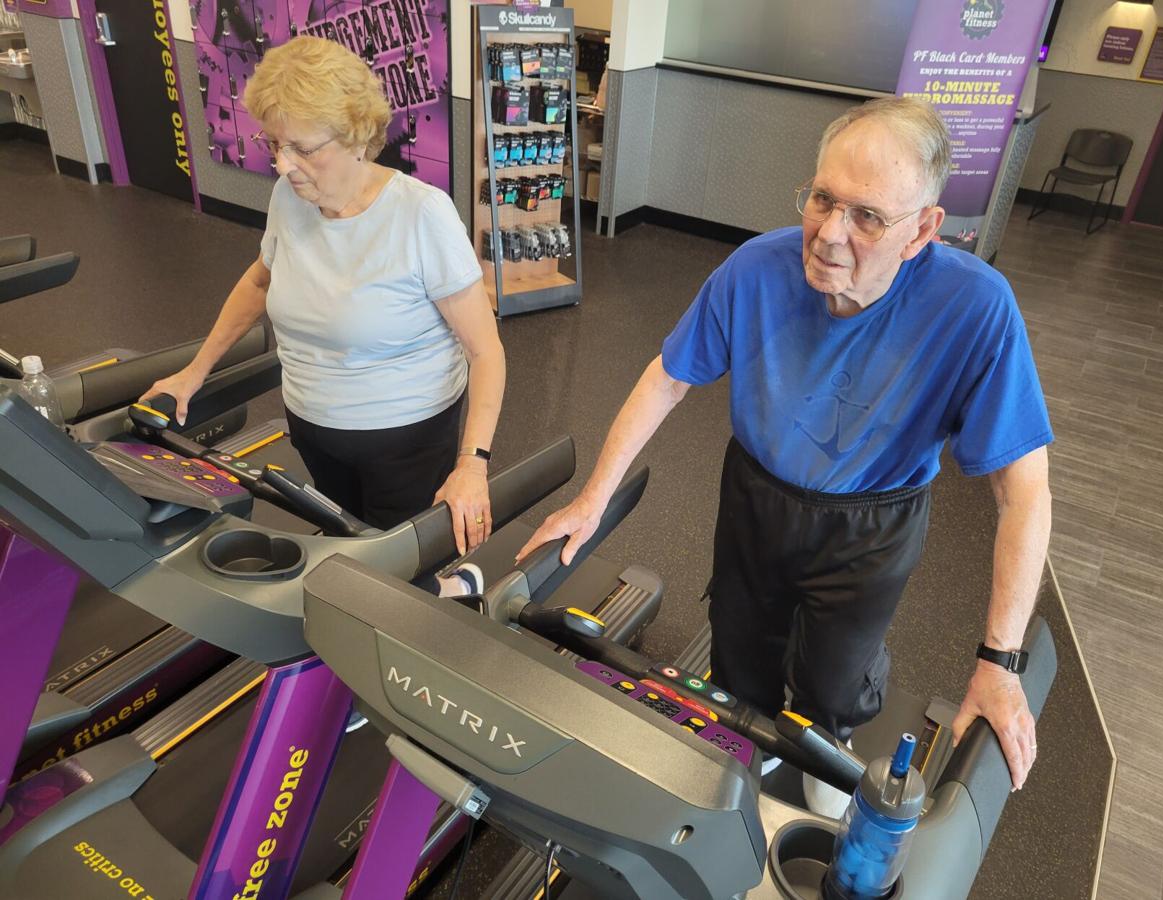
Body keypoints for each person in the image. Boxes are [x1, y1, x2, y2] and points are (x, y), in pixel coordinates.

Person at [519, 97, 1052, 806]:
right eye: (823, 199)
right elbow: (668, 378)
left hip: (872, 523)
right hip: (758, 497)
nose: (830, 233)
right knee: (741, 659)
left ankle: (827, 770)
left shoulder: (977, 307)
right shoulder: (755, 269)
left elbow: (1024, 494)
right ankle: (739, 766)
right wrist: (593, 498)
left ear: (923, 229)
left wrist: (1000, 663)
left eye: (866, 216)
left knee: (834, 681)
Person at [144, 37, 504, 555]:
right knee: (345, 542)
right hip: (313, 427)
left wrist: (473, 463)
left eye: (303, 149)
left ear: (356, 138)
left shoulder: (422, 215)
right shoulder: (290, 199)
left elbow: (486, 351)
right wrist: (193, 373)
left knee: (400, 568)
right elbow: (259, 281)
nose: (283, 165)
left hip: (406, 438)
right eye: (275, 145)